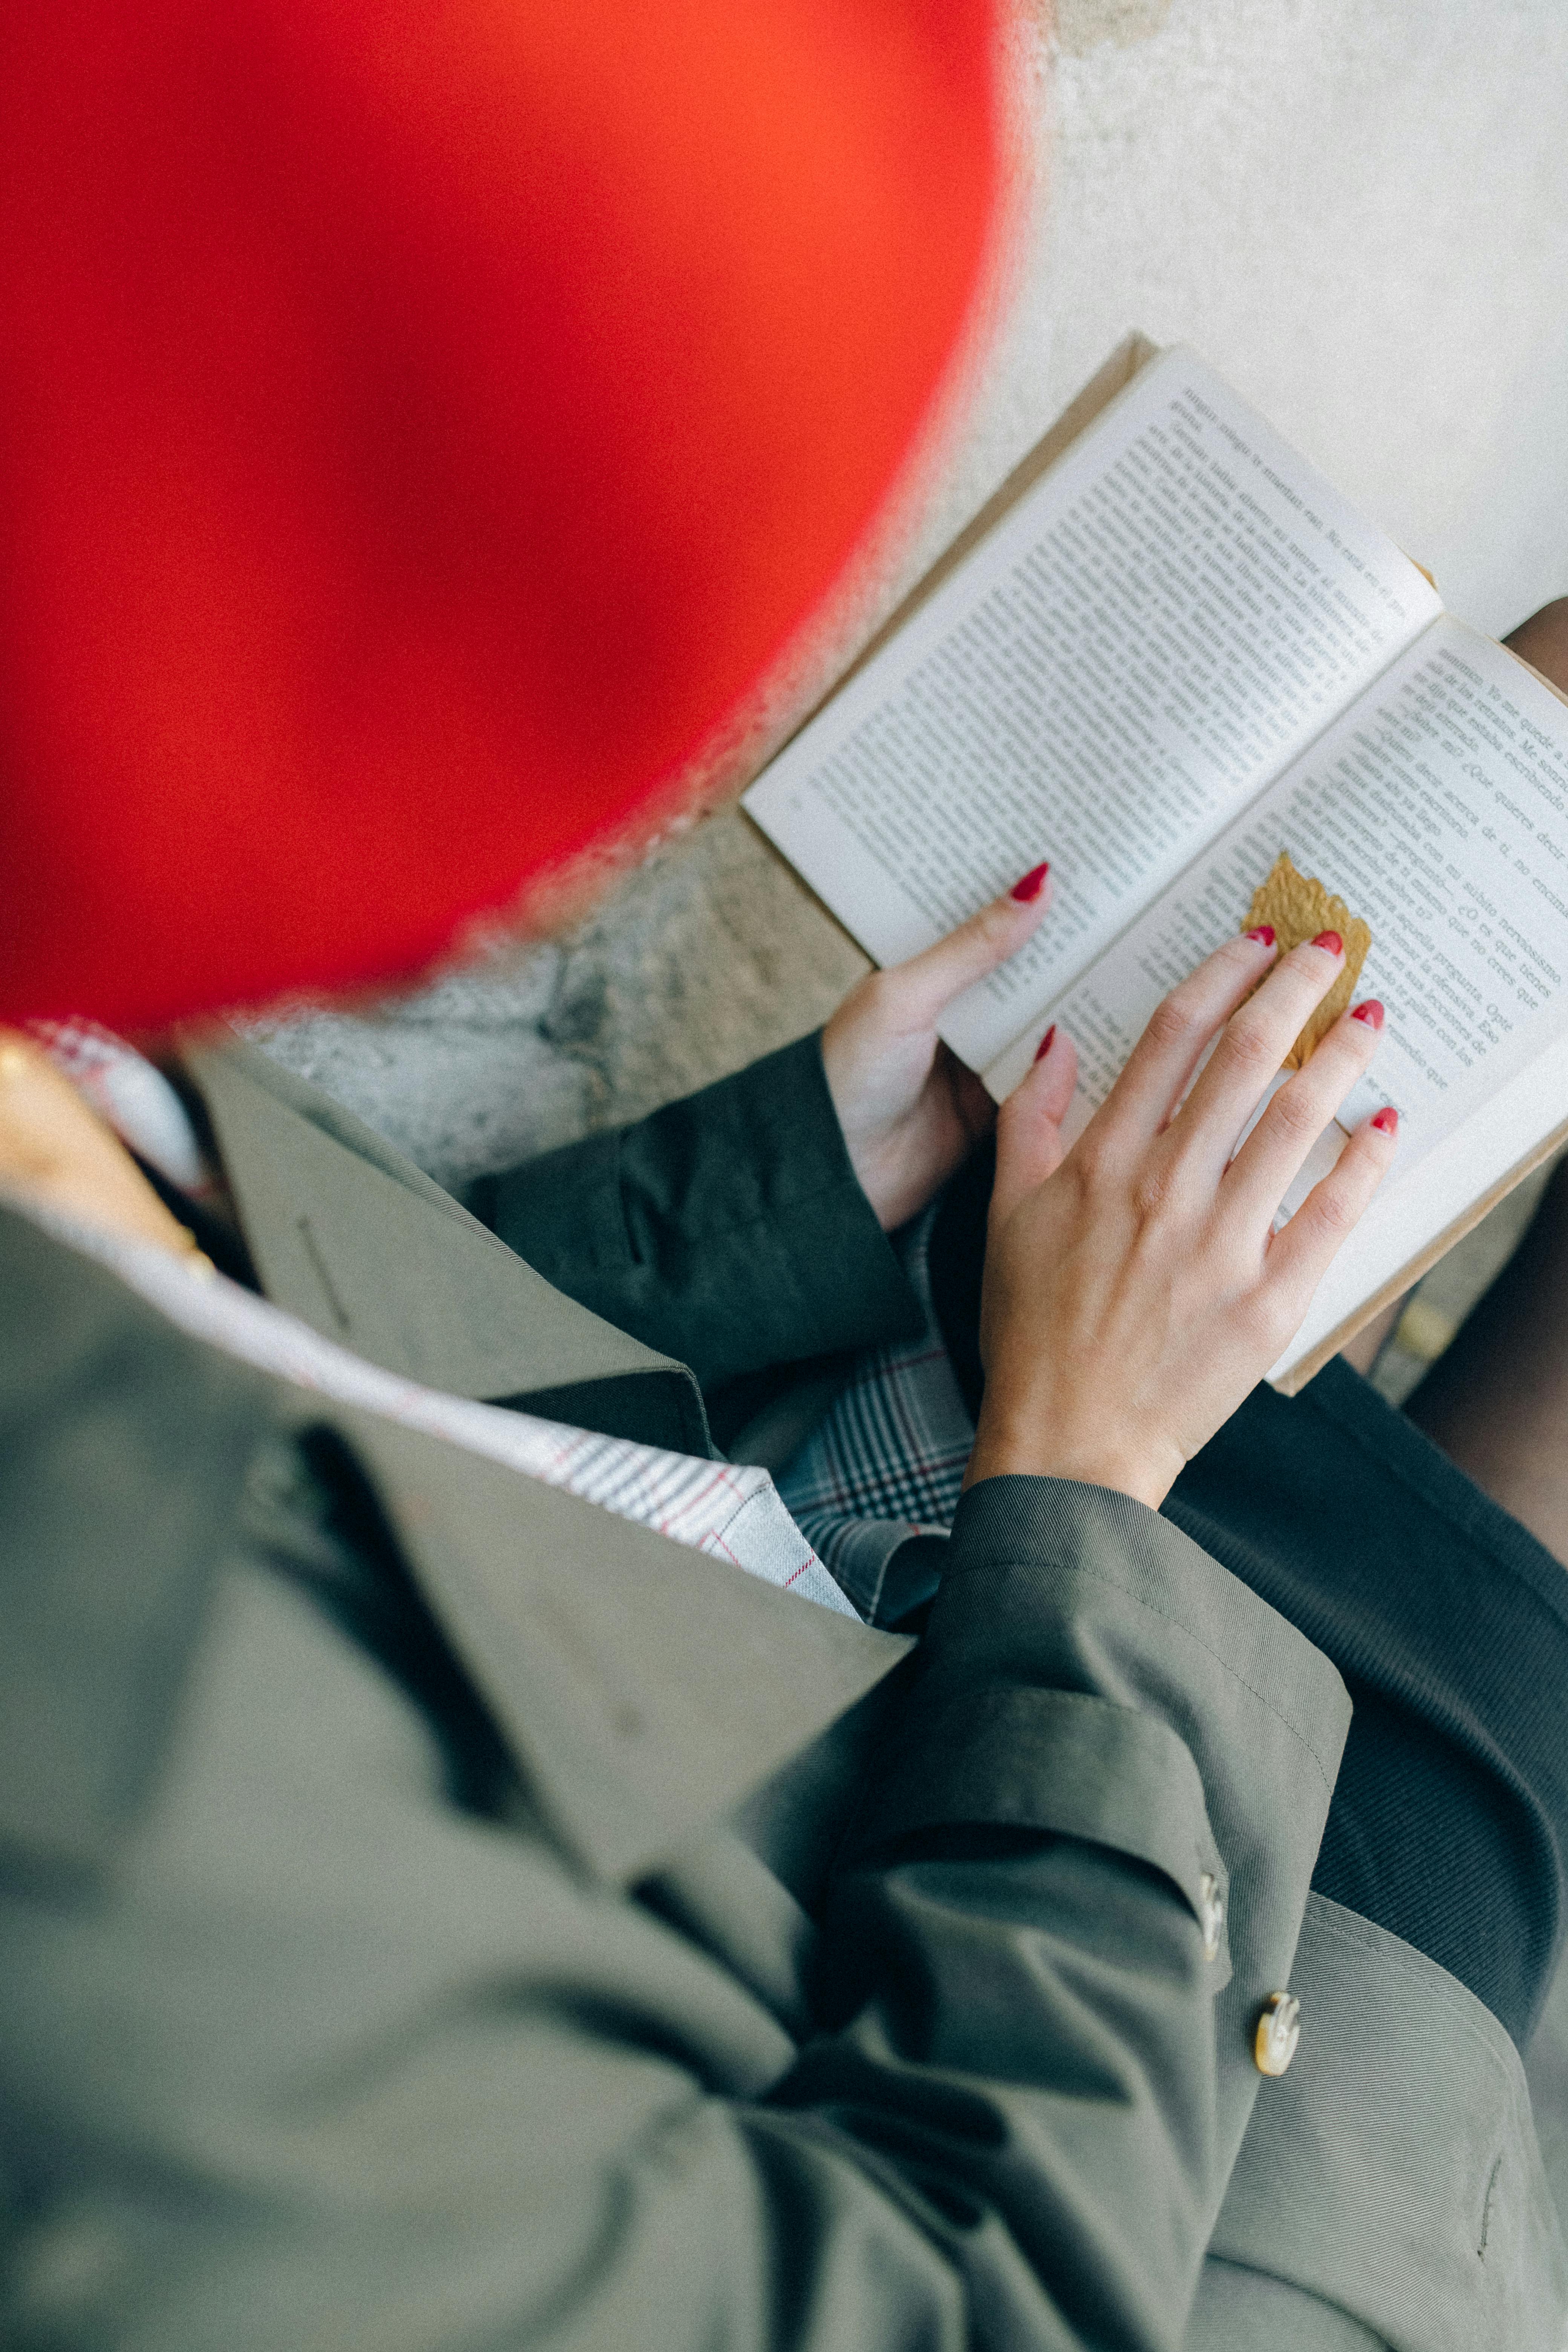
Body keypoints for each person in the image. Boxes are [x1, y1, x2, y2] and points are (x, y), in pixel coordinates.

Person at [3, 7, 1568, 2347]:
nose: (525, 907)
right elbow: (970, 2299)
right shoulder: (122, 1945)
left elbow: (294, 1398)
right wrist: (1083, 1483)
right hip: (1149, 2090)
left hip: (743, 1575)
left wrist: (791, 1176)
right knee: (1483, 1567)